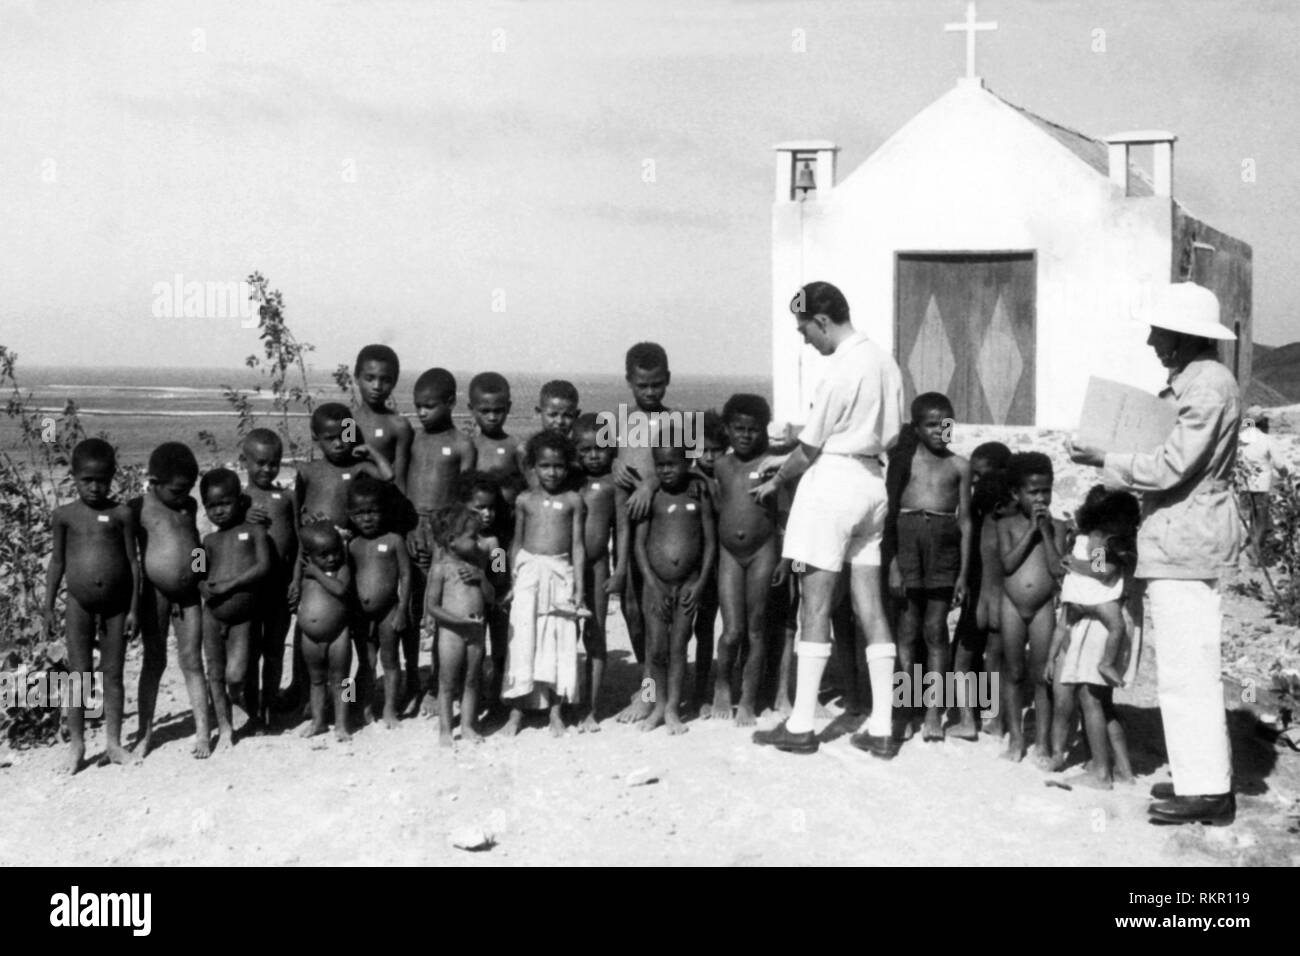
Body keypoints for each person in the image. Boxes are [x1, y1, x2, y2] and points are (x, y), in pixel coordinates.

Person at [1069, 281, 1242, 826]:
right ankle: (1201, 779)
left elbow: (1172, 465)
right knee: (1182, 669)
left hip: (1187, 541)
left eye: (1158, 331)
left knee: (1189, 671)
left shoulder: (1207, 386)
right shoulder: (1195, 382)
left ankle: (1208, 790)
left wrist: (1106, 458)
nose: (1150, 341)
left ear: (1183, 335)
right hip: (1177, 539)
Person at [751, 281, 905, 757]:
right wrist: (790, 458)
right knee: (870, 609)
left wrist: (778, 477)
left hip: (832, 484)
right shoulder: (884, 360)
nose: (804, 339)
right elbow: (891, 436)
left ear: (822, 321)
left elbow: (813, 448)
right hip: (871, 484)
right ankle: (882, 727)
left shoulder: (840, 369)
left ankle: (800, 726)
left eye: (804, 330)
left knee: (813, 607)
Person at [44, 439, 140, 773]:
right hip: (78, 605)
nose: (96, 487)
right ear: (73, 476)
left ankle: (114, 744)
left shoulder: (121, 514)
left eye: (102, 479)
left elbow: (132, 563)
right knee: (78, 676)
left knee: (113, 675)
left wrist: (133, 609)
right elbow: (56, 563)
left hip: (116, 606)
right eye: (87, 480)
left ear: (113, 475)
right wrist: (46, 608)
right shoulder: (65, 515)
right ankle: (77, 746)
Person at [885, 392, 971, 742]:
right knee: (906, 630)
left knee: (935, 630)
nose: (939, 431)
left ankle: (934, 712)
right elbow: (889, 513)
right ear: (917, 428)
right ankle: (904, 710)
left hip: (943, 549)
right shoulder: (904, 462)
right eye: (931, 425)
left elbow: (965, 521)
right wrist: (892, 561)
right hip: (907, 545)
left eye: (945, 423)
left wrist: (963, 574)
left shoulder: (959, 466)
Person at [1043, 487, 1140, 788]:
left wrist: (1074, 563)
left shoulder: (1099, 540)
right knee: (1103, 702)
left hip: (1097, 623)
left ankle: (1100, 773)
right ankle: (1123, 769)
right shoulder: (1118, 542)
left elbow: (1101, 572)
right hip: (1104, 619)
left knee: (1090, 699)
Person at [705, 394, 784, 726]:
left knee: (755, 629)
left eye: (753, 429)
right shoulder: (721, 466)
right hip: (729, 556)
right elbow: (717, 501)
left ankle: (748, 700)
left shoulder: (770, 464)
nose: (746, 435)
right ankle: (723, 683)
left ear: (763, 430)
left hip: (763, 551)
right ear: (727, 429)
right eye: (738, 428)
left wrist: (786, 560)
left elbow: (782, 514)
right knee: (732, 631)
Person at [503, 431, 587, 737]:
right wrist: (511, 577)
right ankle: (517, 711)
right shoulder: (524, 500)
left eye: (559, 466)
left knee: (558, 640)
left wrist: (579, 587)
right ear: (533, 467)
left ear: (568, 467)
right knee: (523, 639)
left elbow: (578, 546)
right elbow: (515, 542)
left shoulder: (573, 500)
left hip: (560, 571)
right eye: (545, 466)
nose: (552, 472)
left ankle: (555, 710)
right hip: (528, 572)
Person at [634, 440, 717, 734]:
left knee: (679, 647)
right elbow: (639, 545)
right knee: (657, 649)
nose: (666, 470)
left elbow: (709, 544)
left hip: (688, 584)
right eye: (660, 465)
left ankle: (672, 709)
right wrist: (652, 583)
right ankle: (656, 705)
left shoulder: (699, 494)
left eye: (672, 464)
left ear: (687, 465)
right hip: (655, 585)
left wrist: (700, 582)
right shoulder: (653, 497)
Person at [131, 441, 206, 758]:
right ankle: (145, 732)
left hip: (189, 595)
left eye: (189, 488)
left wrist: (200, 575)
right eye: (177, 490)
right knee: (154, 661)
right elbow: (129, 557)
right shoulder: (139, 508)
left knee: (192, 661)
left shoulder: (188, 506)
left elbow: (197, 544)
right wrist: (131, 604)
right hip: (155, 594)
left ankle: (203, 731)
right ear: (153, 482)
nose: (183, 495)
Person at [406, 369, 474, 711]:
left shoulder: (463, 445)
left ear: (450, 403)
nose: (421, 413)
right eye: (418, 406)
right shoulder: (413, 440)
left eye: (429, 406)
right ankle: (409, 682)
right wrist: (409, 528)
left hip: (445, 536)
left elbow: (463, 500)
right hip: (412, 530)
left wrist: (448, 542)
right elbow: (402, 488)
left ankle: (439, 683)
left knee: (443, 610)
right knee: (411, 607)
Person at [997, 452, 1068, 765]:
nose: (1041, 498)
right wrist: (1031, 532)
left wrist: (1047, 534)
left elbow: (1057, 570)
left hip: (1042, 608)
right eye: (1033, 492)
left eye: (1046, 491)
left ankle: (1041, 741)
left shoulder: (1059, 528)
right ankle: (1015, 737)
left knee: (1041, 676)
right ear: (1016, 494)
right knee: (1013, 671)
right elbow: (1008, 564)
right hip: (1011, 605)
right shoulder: (1007, 524)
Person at [198, 468, 273, 750]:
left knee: (236, 675)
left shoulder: (254, 531)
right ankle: (225, 726)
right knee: (214, 673)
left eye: (224, 503)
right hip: (212, 615)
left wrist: (230, 585)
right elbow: (199, 569)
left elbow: (264, 567)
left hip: (243, 617)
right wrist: (202, 585)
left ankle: (250, 709)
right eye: (211, 506)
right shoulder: (208, 541)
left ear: (240, 501)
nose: (218, 511)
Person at [573, 414, 630, 730]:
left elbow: (621, 528)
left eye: (601, 448)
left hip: (597, 567)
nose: (594, 455)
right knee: (564, 635)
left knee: (595, 633)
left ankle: (590, 708)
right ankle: (562, 702)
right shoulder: (570, 479)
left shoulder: (613, 484)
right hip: (566, 568)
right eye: (585, 449)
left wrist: (620, 570)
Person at [951, 442, 1012, 739]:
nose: (973, 481)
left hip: (978, 601)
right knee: (994, 663)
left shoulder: (977, 520)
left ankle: (967, 720)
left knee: (964, 661)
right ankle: (996, 721)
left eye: (979, 476)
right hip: (1000, 603)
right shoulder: (1013, 523)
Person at [425, 504, 495, 746]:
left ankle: (467, 725)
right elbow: (433, 607)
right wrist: (458, 621)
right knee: (447, 683)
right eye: (473, 537)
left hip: (475, 632)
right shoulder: (440, 569)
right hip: (451, 634)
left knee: (472, 680)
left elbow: (491, 597)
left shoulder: (477, 566)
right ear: (453, 541)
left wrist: (482, 579)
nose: (478, 542)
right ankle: (445, 730)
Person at [241, 428, 297, 729]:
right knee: (249, 652)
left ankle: (270, 705)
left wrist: (297, 579)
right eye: (260, 463)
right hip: (250, 590)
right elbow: (218, 541)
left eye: (273, 463)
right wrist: (242, 518)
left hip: (279, 588)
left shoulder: (286, 497)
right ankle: (250, 710)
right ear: (244, 461)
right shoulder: (238, 500)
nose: (267, 469)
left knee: (274, 650)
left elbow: (299, 541)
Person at [347, 475, 411, 729]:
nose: (367, 518)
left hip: (388, 611)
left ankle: (390, 709)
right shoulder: (352, 545)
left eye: (373, 511)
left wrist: (403, 610)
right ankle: (355, 705)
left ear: (384, 511)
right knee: (362, 664)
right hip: (360, 615)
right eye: (360, 513)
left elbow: (406, 576)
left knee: (391, 661)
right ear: (350, 515)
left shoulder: (394, 540)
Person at [296, 522, 354, 742]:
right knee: (316, 681)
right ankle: (318, 721)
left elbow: (340, 589)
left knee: (345, 681)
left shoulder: (342, 569)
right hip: (310, 636)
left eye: (335, 552)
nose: (331, 558)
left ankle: (343, 724)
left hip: (338, 634)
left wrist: (317, 573)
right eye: (324, 555)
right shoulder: (305, 571)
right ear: (309, 556)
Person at [352, 344, 413, 496]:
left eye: (385, 380)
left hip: (385, 504)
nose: (377, 386)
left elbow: (400, 478)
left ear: (394, 382)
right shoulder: (349, 422)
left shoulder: (398, 425)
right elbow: (345, 462)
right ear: (357, 378)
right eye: (369, 378)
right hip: (352, 506)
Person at [468, 371, 526, 503]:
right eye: (485, 411)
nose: (492, 417)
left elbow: (529, 487)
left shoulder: (516, 447)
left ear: (508, 407)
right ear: (471, 409)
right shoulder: (469, 446)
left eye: (498, 410)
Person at [1238, 406, 1284, 564]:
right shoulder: (1266, 439)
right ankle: (1255, 553)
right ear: (1263, 422)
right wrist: (1286, 476)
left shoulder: (1241, 438)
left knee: (1253, 519)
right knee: (1262, 521)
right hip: (1261, 486)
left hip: (1243, 485)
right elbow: (1279, 464)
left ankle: (1251, 547)